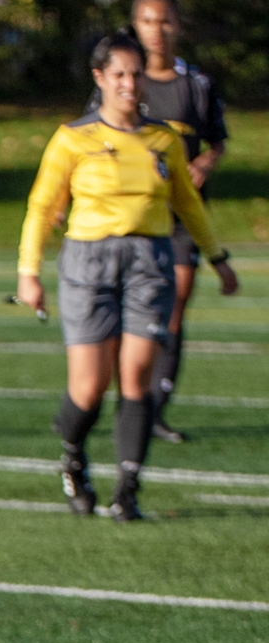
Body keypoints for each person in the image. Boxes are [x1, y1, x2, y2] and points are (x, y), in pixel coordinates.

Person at [18, 31, 237, 521]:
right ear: (100, 77)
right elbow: (41, 206)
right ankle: (73, 455)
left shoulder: (163, 139)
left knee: (135, 375)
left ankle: (128, 488)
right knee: (89, 388)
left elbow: (187, 203)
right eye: (118, 74)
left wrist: (217, 257)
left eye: (135, 74)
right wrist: (28, 272)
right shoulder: (74, 138)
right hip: (88, 262)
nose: (128, 84)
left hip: (150, 262)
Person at [84, 0, 226, 444]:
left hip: (179, 217)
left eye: (164, 20)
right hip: (125, 220)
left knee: (174, 304)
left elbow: (217, 140)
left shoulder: (196, 84)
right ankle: (124, 397)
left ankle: (154, 404)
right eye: (147, 20)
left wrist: (204, 161)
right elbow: (87, 137)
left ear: (177, 25)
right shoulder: (122, 79)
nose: (156, 29)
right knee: (118, 324)